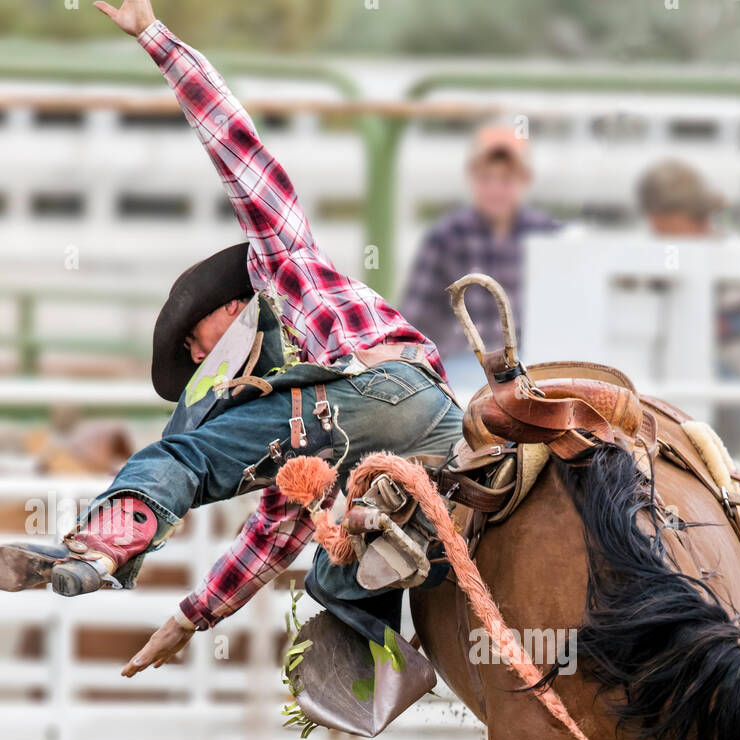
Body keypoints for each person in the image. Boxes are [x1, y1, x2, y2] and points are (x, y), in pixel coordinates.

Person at [0, 0, 463, 701]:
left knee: (182, 450)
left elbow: (234, 143)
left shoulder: (287, 268)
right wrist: (193, 617)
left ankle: (102, 545)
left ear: (229, 307)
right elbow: (270, 538)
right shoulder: (289, 429)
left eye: (196, 342)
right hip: (430, 432)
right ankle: (393, 629)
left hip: (367, 394)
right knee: (329, 570)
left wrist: (154, 38)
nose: (200, 361)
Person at [400, 125, 560, 402]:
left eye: (506, 179)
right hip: (466, 363)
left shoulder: (550, 236)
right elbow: (418, 319)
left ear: (525, 180)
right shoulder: (445, 237)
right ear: (472, 178)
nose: (496, 188)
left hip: (538, 364)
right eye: (487, 178)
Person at [637, 159, 740, 454]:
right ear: (658, 219)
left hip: (714, 375)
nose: (706, 225)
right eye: (695, 216)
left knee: (733, 398)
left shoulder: (726, 256)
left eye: (706, 216)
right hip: (646, 374)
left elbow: (737, 340)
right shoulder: (635, 266)